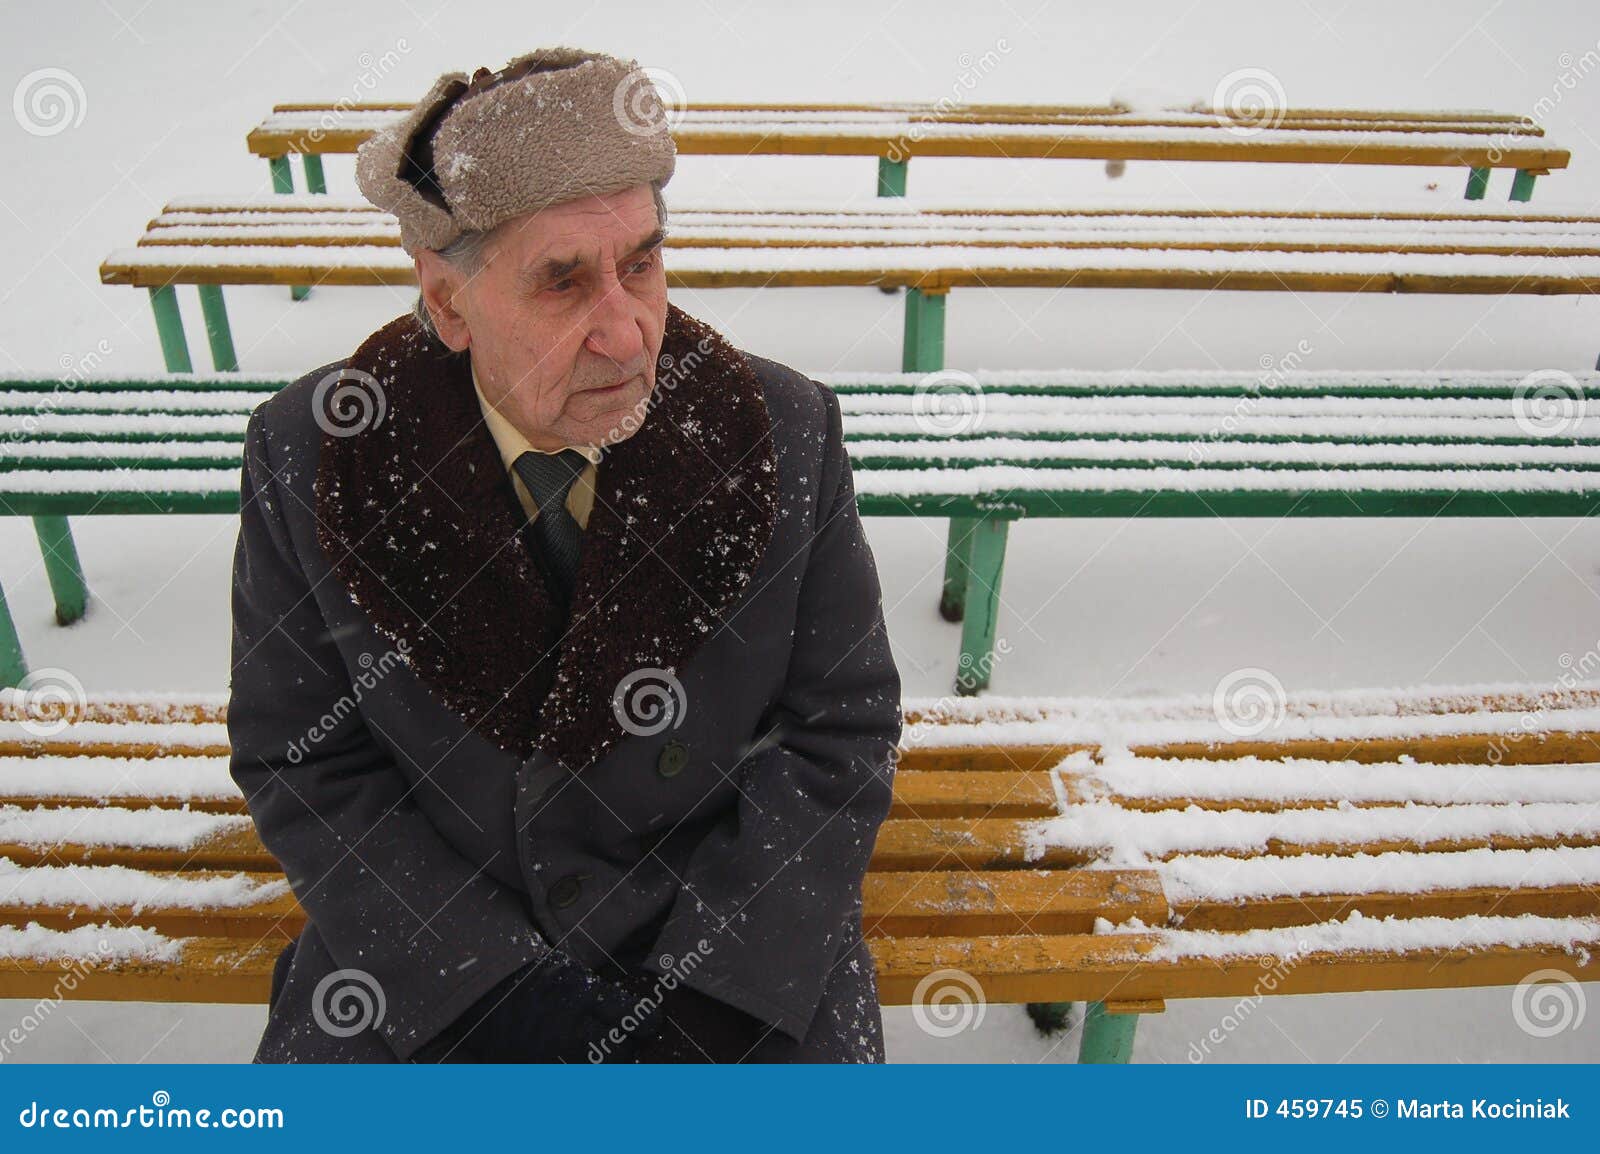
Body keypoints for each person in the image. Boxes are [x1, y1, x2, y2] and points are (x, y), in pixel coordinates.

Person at [227, 46, 902, 1063]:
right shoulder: (320, 454)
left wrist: (715, 997)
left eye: (642, 264)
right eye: (562, 281)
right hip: (434, 957)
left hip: (729, 945)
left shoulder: (781, 431)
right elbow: (304, 753)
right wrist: (486, 991)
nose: (627, 336)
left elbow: (837, 732)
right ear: (447, 302)